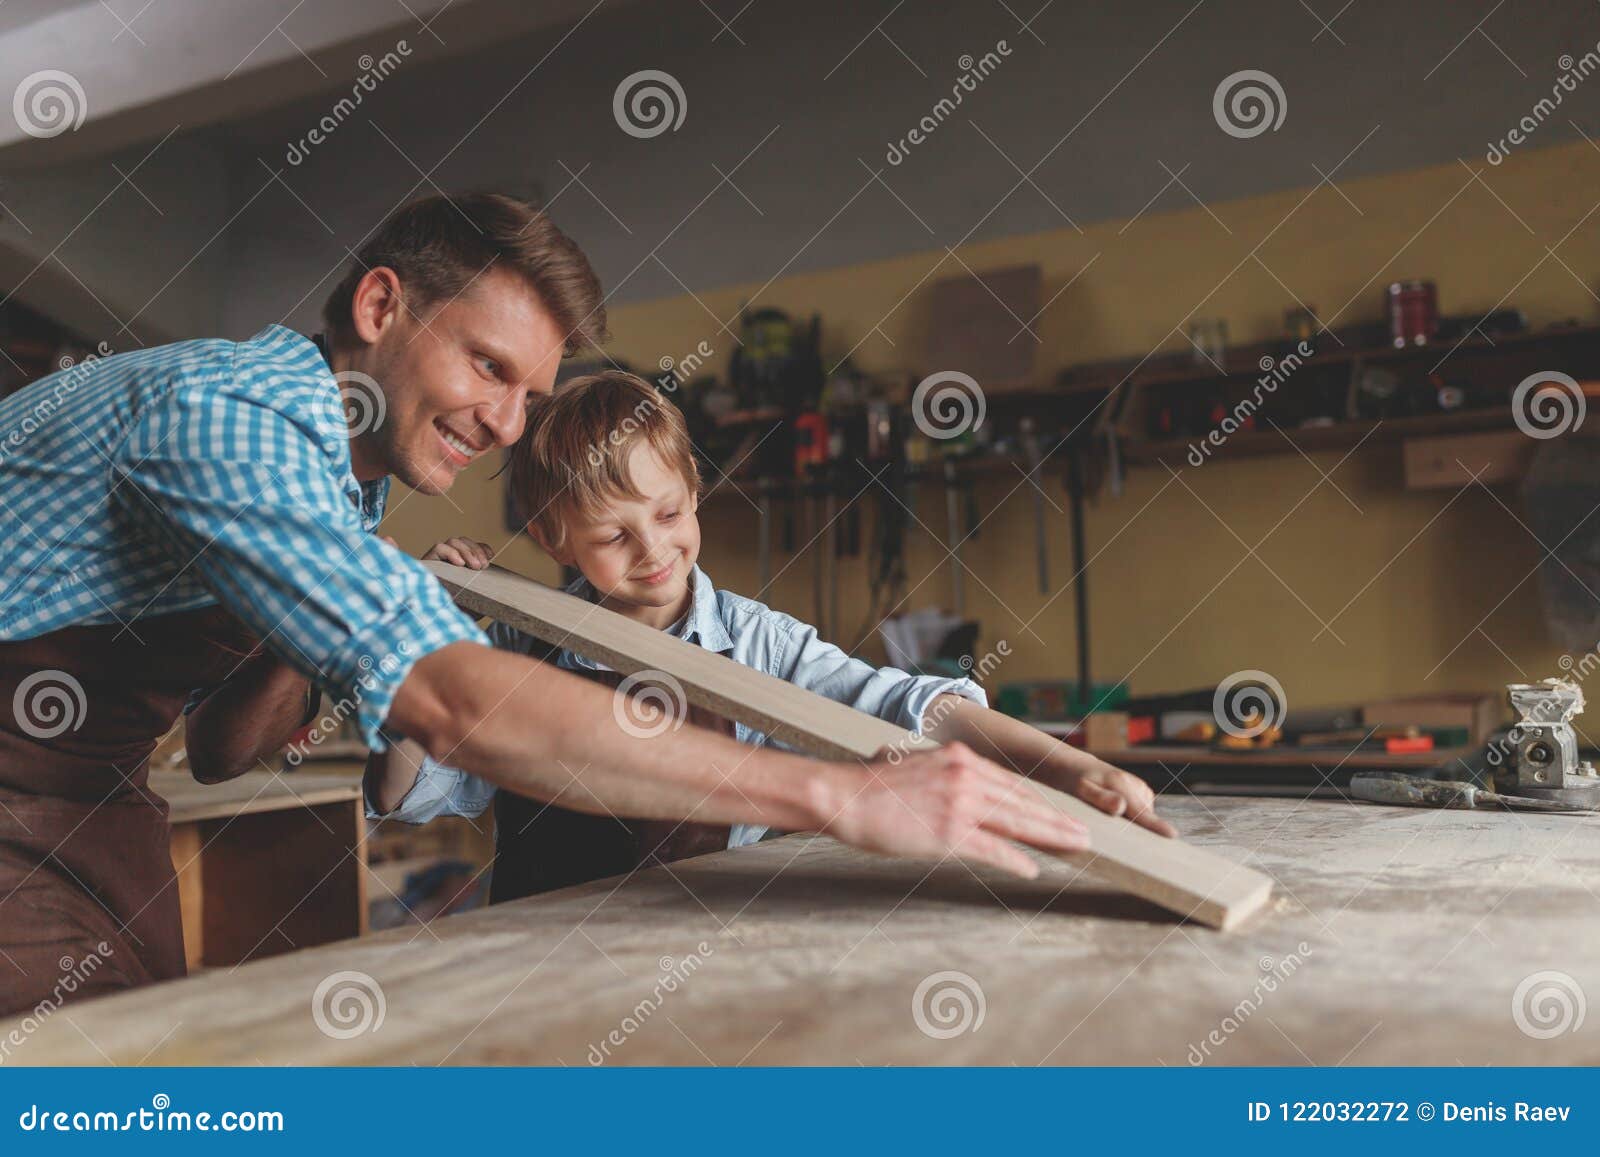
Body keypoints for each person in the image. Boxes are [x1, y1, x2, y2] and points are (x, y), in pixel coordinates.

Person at [0, 193, 1091, 1017]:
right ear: (380, 305)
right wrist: (839, 796)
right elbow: (445, 702)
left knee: (147, 1044)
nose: (509, 424)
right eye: (488, 365)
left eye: (528, 392)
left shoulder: (344, 483)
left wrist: (344, 582)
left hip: (94, 793)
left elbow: (224, 748)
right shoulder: (231, 418)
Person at [366, 371, 1173, 901]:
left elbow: (914, 710)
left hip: (703, 949)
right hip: (537, 960)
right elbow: (407, 792)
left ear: (693, 492)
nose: (654, 551)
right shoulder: (513, 643)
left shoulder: (760, 643)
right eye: (613, 536)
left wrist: (1071, 765)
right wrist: (415, 639)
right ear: (552, 538)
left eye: (670, 514)